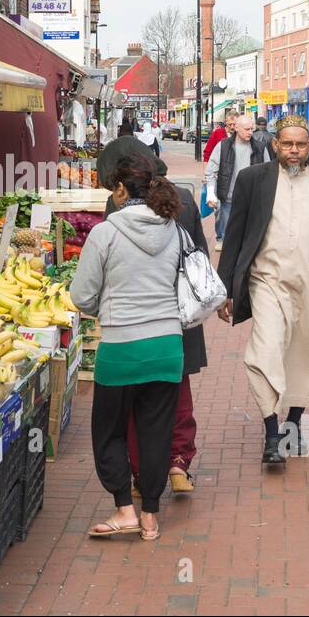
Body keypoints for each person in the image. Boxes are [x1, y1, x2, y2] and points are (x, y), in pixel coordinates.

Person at [216, 114, 309, 466]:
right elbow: (235, 236)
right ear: (275, 145)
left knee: (305, 353)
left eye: (301, 145)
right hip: (267, 282)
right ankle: (272, 433)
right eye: (288, 144)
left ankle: (293, 424)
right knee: (265, 350)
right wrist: (224, 289)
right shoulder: (253, 180)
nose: (294, 151)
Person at [71, 156, 184, 541]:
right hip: (168, 346)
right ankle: (150, 515)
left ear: (120, 190)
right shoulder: (174, 229)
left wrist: (104, 301)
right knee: (157, 431)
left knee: (109, 431)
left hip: (121, 346)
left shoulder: (105, 233)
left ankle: (124, 509)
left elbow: (83, 296)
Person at [103, 159, 207, 495]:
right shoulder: (184, 206)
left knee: (135, 406)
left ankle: (141, 476)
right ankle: (178, 463)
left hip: (130, 327)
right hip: (177, 323)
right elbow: (200, 258)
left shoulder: (115, 216)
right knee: (178, 398)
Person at [204, 114, 258, 252]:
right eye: (247, 129)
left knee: (248, 234)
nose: (250, 132)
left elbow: (269, 172)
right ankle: (222, 241)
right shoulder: (223, 146)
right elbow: (211, 171)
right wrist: (210, 194)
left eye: (252, 129)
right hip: (228, 195)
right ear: (237, 128)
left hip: (251, 197)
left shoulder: (259, 147)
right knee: (227, 230)